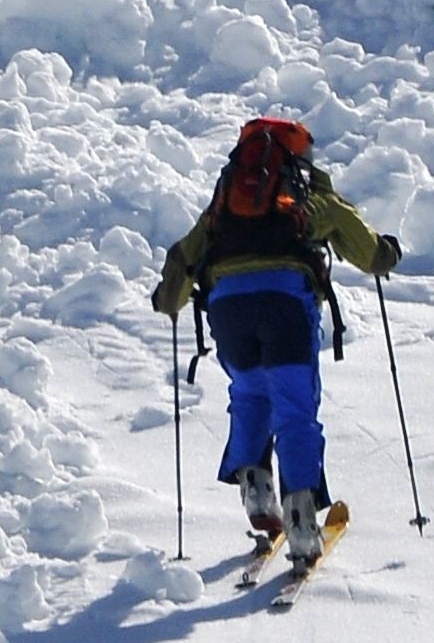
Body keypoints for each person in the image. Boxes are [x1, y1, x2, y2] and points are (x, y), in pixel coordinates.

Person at [152, 117, 403, 562]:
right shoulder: (307, 197)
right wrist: (387, 251)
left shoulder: (223, 207)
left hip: (228, 311)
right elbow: (371, 256)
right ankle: (301, 518)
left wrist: (169, 299)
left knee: (250, 392)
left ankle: (255, 484)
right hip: (285, 305)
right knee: (295, 409)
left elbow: (180, 266)